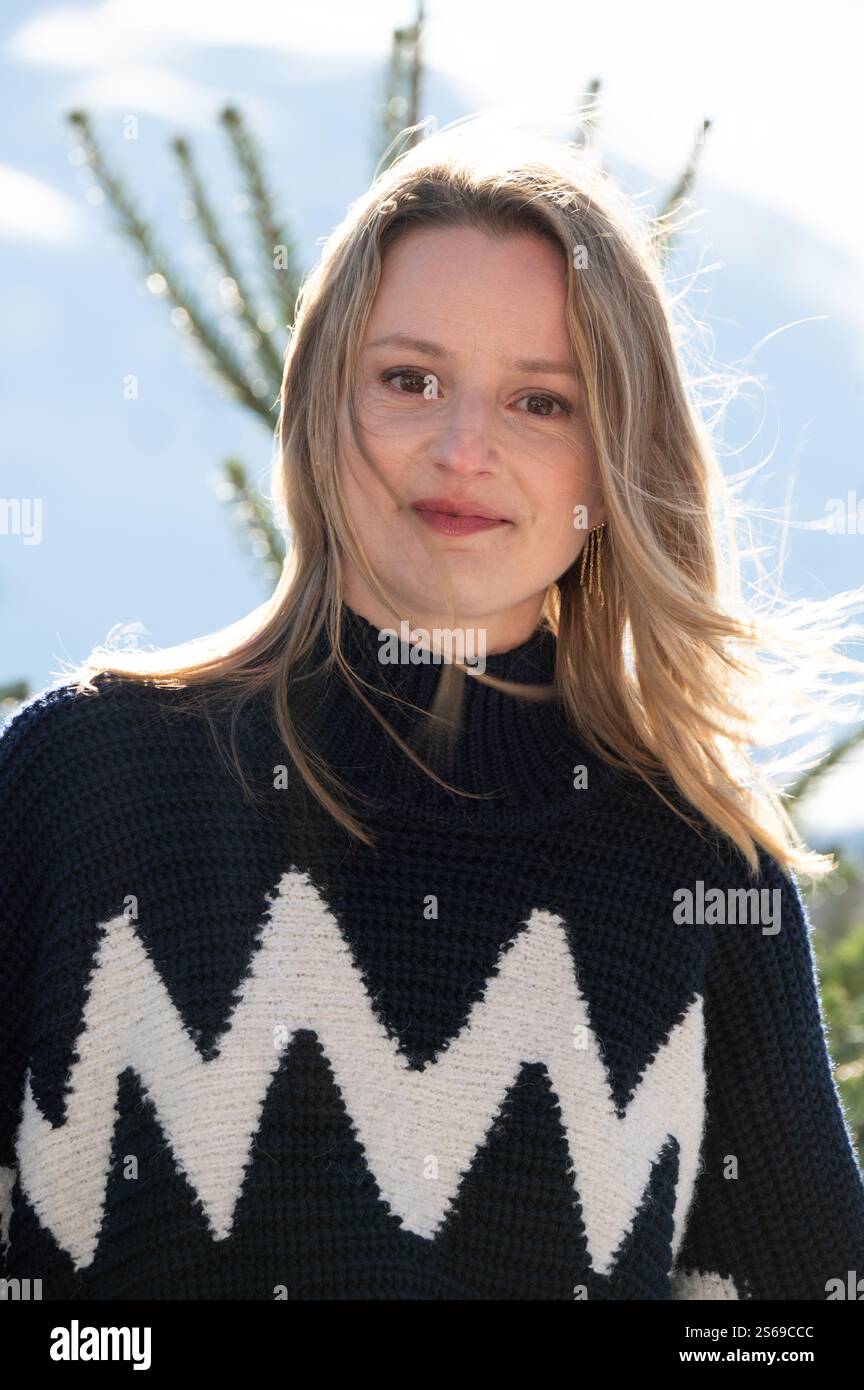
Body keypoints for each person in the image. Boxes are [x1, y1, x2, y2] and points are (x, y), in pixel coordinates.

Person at [1, 117, 863, 1301]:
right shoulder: (85, 780)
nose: (464, 448)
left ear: (614, 467)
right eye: (411, 380)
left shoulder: (701, 859)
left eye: (541, 403)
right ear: (320, 406)